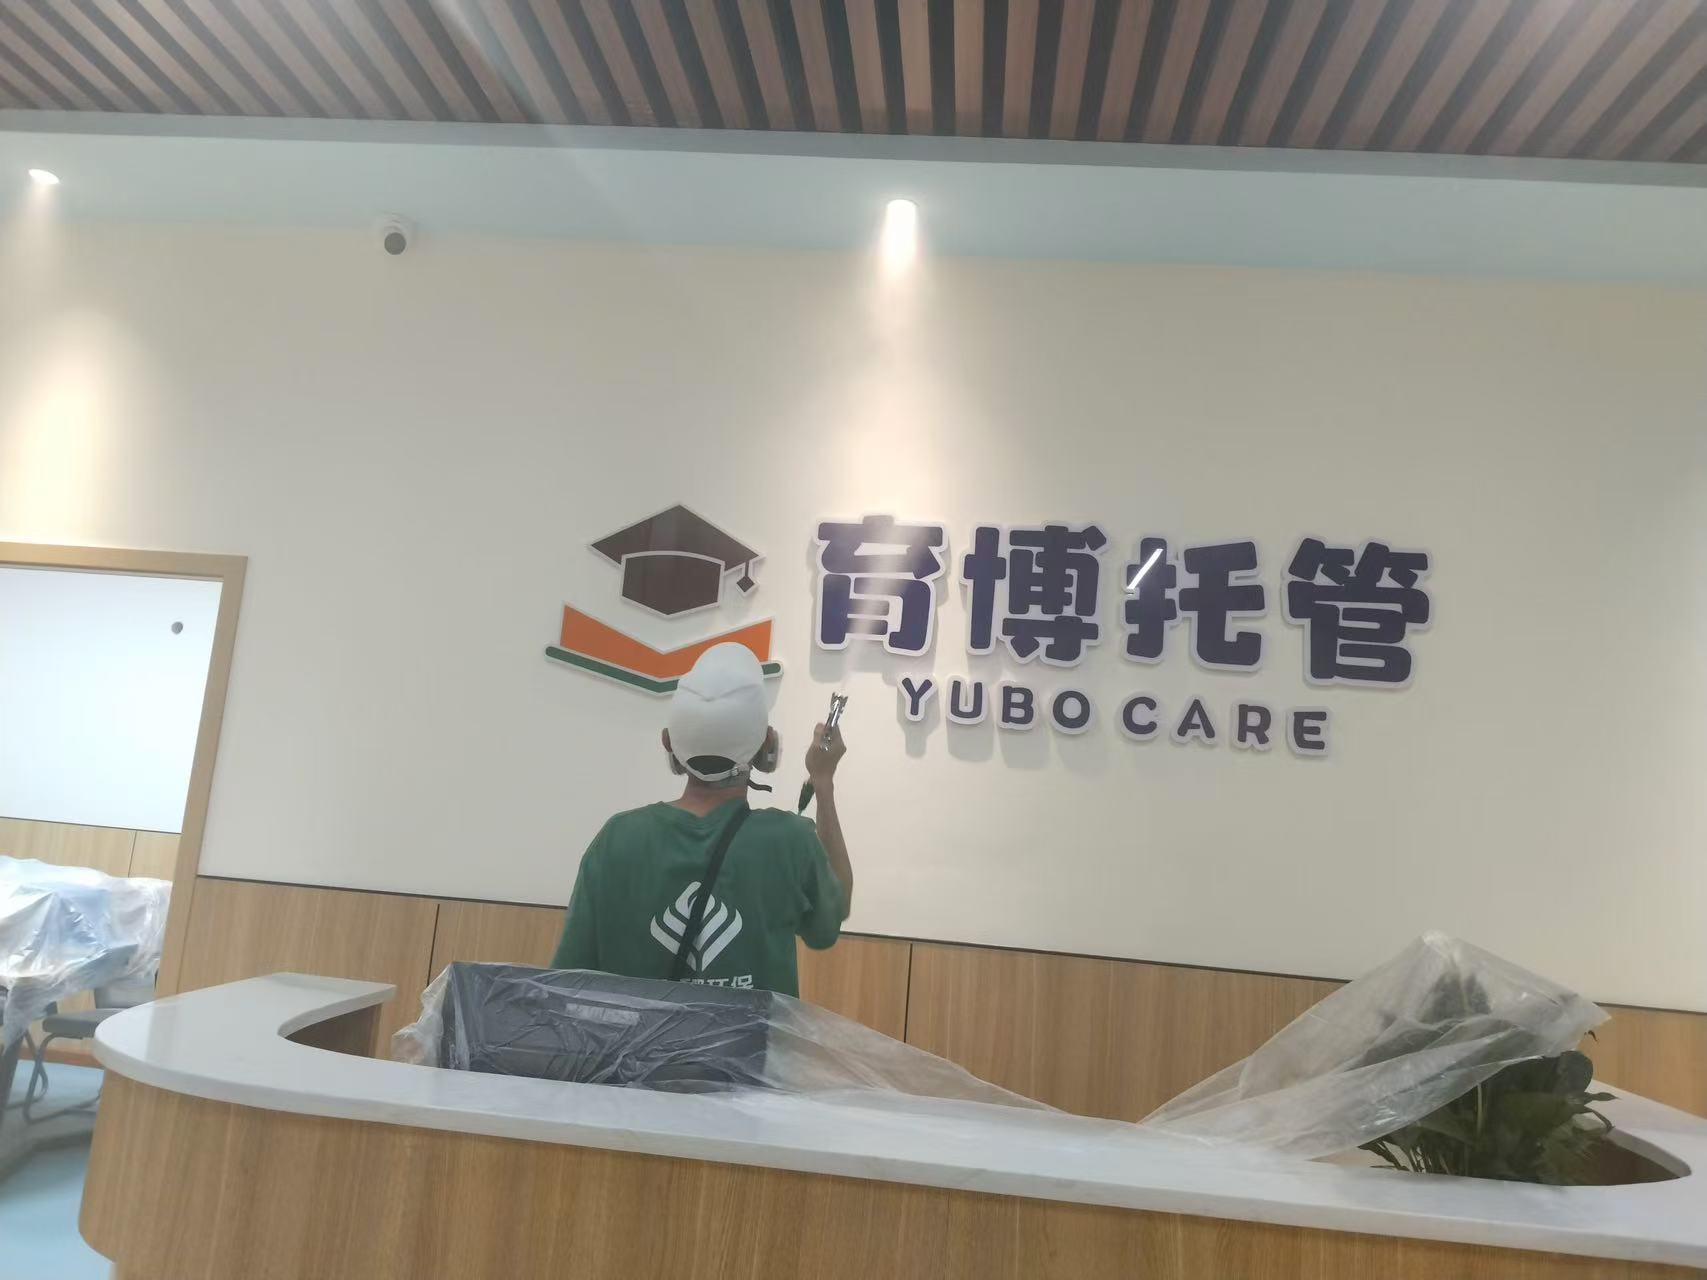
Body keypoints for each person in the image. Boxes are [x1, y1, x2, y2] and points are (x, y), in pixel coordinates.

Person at [550, 643, 850, 997]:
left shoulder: (618, 838)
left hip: (635, 1038)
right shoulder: (789, 841)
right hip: (752, 1039)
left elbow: (567, 981)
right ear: (766, 747)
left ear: (669, 745)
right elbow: (828, 924)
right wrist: (823, 782)